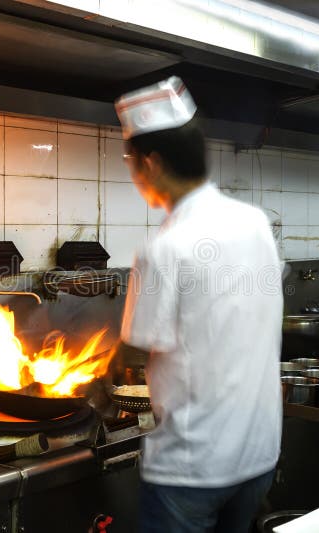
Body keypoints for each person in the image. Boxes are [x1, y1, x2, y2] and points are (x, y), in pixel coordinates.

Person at [114, 76, 283, 533]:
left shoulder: (164, 246)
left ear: (151, 162)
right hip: (258, 454)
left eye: (130, 162)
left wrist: (94, 378)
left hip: (192, 467)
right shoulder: (254, 222)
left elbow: (133, 352)